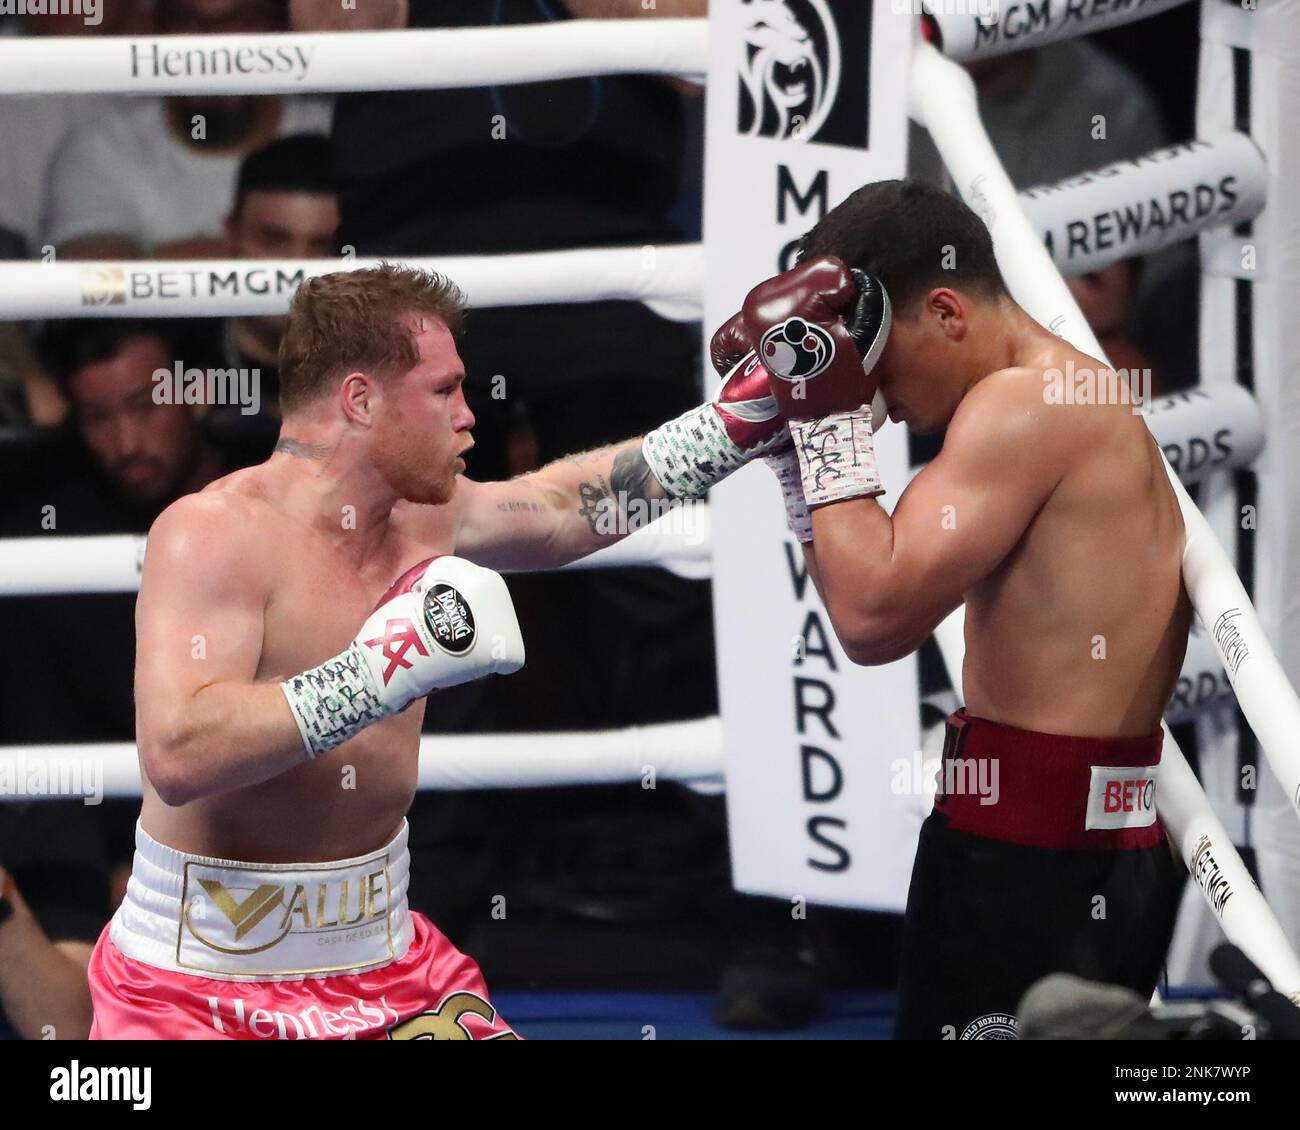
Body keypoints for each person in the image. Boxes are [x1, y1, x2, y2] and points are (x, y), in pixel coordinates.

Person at [88, 262, 788, 1040]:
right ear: (360, 399)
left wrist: (740, 422)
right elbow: (179, 754)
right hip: (198, 982)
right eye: (444, 390)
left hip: (382, 956)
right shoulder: (214, 533)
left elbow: (563, 510)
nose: (469, 416)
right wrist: (373, 674)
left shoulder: (429, 516)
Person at [737, 179, 1188, 1039]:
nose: (875, 395)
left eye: (880, 361)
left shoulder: (1026, 405)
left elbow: (872, 619)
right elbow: (859, 606)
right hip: (1062, 847)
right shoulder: (1058, 396)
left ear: (947, 311)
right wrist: (804, 460)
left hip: (1036, 862)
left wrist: (823, 426)